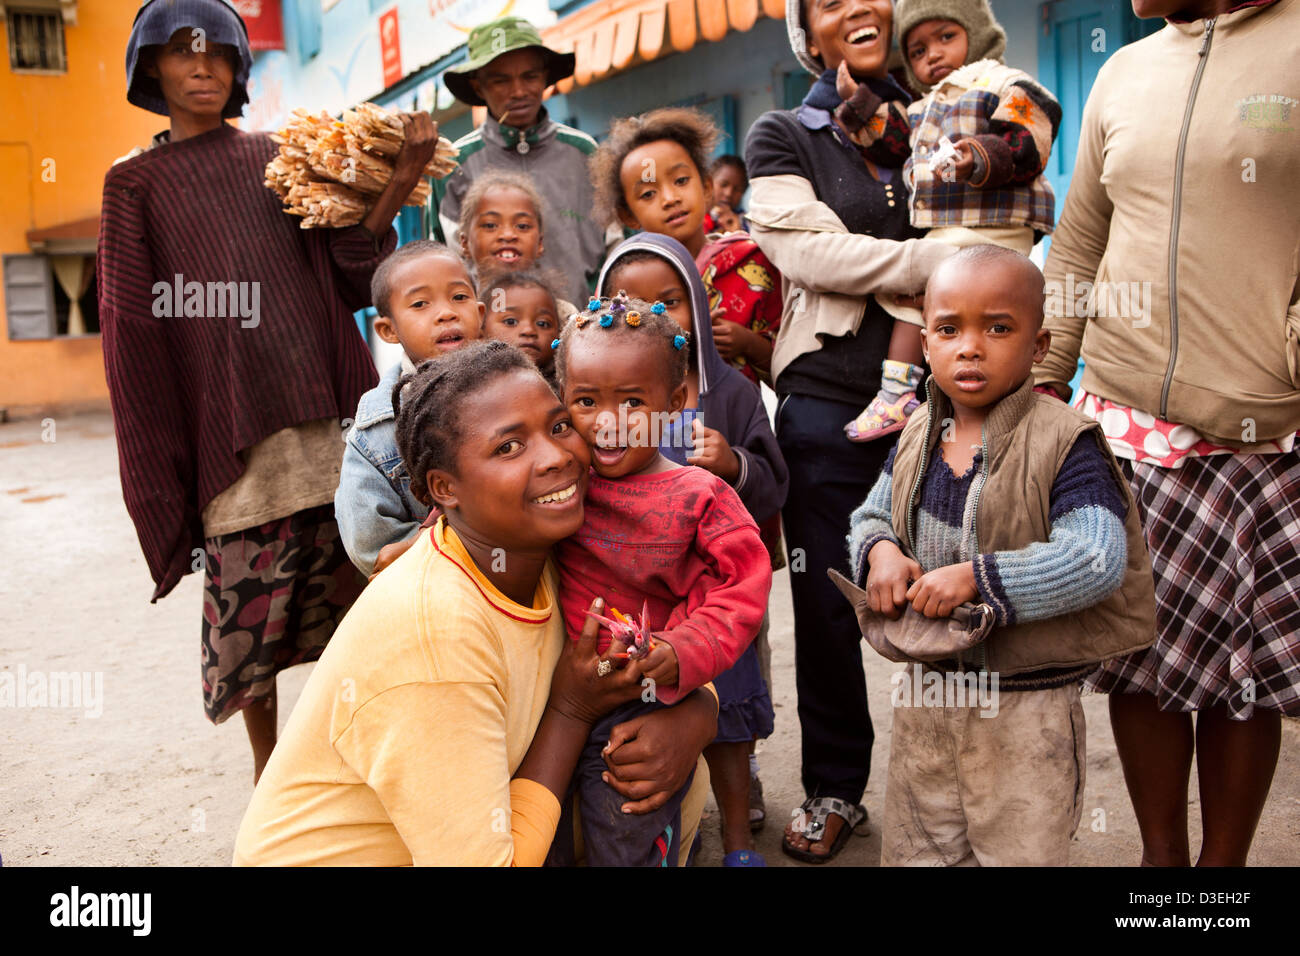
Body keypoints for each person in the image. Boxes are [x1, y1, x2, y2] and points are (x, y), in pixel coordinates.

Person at [98, 0, 435, 781]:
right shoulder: (134, 186)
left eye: (220, 53)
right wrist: (162, 478)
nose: (204, 67)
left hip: (328, 423)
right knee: (252, 640)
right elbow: (132, 340)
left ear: (240, 69)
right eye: (184, 53)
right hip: (235, 445)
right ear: (151, 67)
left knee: (367, 617)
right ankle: (271, 779)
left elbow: (356, 267)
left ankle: (364, 770)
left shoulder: (280, 155)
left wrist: (405, 176)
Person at [234, 342, 720, 865]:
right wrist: (572, 708)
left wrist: (698, 712)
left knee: (664, 774)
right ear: (444, 488)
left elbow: (671, 629)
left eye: (558, 427)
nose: (557, 457)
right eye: (508, 448)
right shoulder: (433, 632)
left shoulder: (558, 547)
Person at [1032, 0, 1300, 866]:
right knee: (1137, 661)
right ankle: (1162, 864)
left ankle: (1221, 876)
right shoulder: (1127, 68)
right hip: (1127, 417)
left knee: (1240, 672)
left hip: (1260, 429)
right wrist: (1042, 383)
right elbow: (1078, 244)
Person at [846, 245, 1155, 865]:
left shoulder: (1065, 440)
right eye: (949, 329)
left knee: (1020, 850)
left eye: (998, 328)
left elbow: (1094, 559)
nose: (970, 347)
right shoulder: (916, 431)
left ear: (1038, 346)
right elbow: (871, 513)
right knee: (918, 849)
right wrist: (879, 552)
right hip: (927, 696)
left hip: (1027, 709)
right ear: (924, 341)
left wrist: (978, 579)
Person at [744, 0, 956, 862]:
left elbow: (1009, 209)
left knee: (955, 594)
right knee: (831, 603)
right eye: (828, 0)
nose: (855, 6)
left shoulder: (945, 106)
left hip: (954, 394)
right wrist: (944, 257)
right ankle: (836, 788)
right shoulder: (782, 134)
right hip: (827, 398)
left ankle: (954, 793)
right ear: (810, 32)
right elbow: (810, 254)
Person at [546, 293, 773, 866]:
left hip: (639, 702)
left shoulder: (700, 496)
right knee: (538, 833)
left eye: (631, 401)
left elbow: (742, 585)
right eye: (585, 401)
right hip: (553, 694)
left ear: (674, 402)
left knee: (623, 834)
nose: (607, 421)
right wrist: (425, 537)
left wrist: (683, 649)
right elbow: (483, 504)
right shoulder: (560, 478)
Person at [599, 234, 790, 864]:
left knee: (726, 720)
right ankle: (674, 828)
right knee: (645, 720)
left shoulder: (730, 392)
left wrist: (733, 463)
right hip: (635, 602)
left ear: (699, 308)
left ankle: (737, 837)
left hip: (713, 599)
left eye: (670, 301)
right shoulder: (603, 394)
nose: (653, 316)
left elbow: (775, 481)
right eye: (629, 304)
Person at [834, 0, 1061, 441]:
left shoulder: (1002, 82)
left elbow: (1029, 137)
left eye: (945, 37)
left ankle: (1010, 393)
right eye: (917, 51)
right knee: (916, 300)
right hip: (946, 232)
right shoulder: (923, 108)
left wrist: (979, 156)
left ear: (975, 35)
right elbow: (890, 140)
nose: (932, 55)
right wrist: (857, 104)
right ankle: (899, 395)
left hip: (995, 227)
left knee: (981, 308)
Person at [590, 108, 782, 386]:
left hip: (738, 424)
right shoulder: (621, 284)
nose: (670, 198)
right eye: (648, 194)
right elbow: (605, 368)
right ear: (628, 215)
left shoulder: (750, 261)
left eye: (681, 181)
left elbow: (788, 373)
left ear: (706, 187)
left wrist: (746, 343)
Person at [334, 241, 483, 578]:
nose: (446, 312)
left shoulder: (516, 394)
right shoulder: (377, 431)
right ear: (388, 330)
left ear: (481, 312)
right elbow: (375, 549)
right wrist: (461, 542)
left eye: (459, 297)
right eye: (420, 304)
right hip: (436, 589)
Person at [436, 16, 607, 306]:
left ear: (544, 78)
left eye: (529, 76)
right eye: (501, 80)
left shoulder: (584, 153)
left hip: (587, 332)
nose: (518, 91)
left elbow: (616, 244)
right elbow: (450, 264)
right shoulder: (455, 164)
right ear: (479, 87)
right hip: (498, 337)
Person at [480, 270, 563, 391]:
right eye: (510, 322)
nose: (528, 330)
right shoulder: (470, 387)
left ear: (560, 333)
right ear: (480, 330)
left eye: (542, 323)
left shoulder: (565, 389)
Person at [705, 154, 750, 233]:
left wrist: (737, 232)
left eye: (737, 189)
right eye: (723, 184)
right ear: (709, 183)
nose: (728, 193)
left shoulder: (746, 223)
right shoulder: (696, 217)